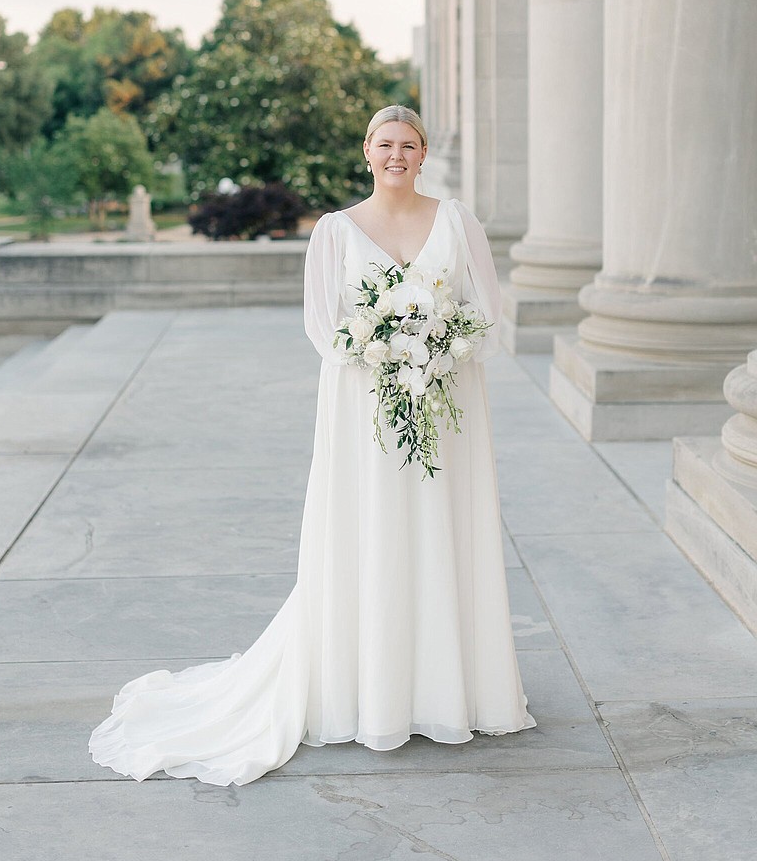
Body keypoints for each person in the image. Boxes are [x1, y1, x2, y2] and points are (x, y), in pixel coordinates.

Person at [88, 105, 536, 786]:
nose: (397, 155)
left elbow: (487, 311)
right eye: (385, 144)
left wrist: (438, 347)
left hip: (445, 409)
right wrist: (386, 349)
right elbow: (325, 328)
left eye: (408, 145)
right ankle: (367, 690)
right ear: (366, 151)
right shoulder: (334, 232)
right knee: (373, 536)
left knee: (443, 532)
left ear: (422, 155)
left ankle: (447, 690)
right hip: (365, 415)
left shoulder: (457, 220)